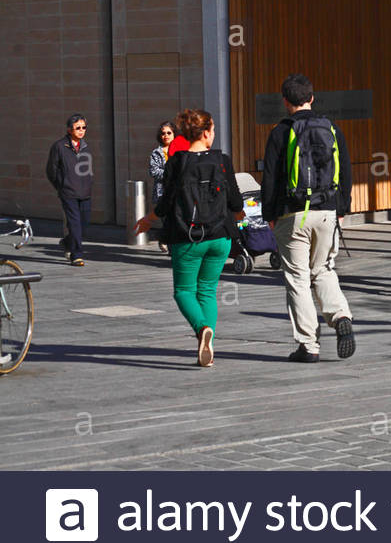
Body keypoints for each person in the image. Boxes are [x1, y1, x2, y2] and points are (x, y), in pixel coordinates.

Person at [133, 108, 242, 367]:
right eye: (212, 130)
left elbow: (167, 202)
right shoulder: (222, 160)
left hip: (187, 237)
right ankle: (208, 346)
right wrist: (240, 216)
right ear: (205, 133)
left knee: (184, 291)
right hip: (220, 237)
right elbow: (236, 201)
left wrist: (149, 219)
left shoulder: (177, 162)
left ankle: (202, 329)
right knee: (207, 291)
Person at [260, 74, 356, 362]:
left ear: (285, 101)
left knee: (298, 279)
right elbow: (346, 171)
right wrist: (342, 209)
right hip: (327, 211)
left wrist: (269, 215)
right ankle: (340, 315)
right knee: (324, 269)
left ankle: (309, 346)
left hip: (292, 214)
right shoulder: (331, 128)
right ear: (312, 98)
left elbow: (270, 178)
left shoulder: (280, 131)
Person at [45, 113, 93, 266]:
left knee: (84, 224)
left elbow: (87, 169)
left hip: (85, 192)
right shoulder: (59, 146)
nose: (81, 130)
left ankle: (67, 242)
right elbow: (51, 170)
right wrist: (61, 185)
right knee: (74, 224)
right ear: (69, 129)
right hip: (68, 192)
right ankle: (76, 255)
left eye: (84, 127)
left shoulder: (85, 146)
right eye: (78, 128)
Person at [149, 121, 176, 204]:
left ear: (174, 134)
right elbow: (153, 171)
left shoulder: (181, 151)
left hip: (177, 193)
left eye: (169, 133)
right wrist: (170, 174)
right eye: (163, 133)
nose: (166, 135)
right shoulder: (156, 152)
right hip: (162, 193)